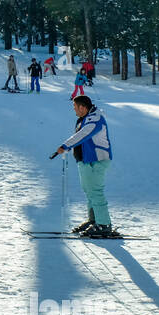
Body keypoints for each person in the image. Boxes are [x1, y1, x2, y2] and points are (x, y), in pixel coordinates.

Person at [53, 95, 114, 237]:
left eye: (75, 107)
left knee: (95, 192)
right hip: (86, 161)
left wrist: (65, 146)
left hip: (96, 161)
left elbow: (83, 134)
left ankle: (104, 224)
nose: (74, 110)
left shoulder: (95, 119)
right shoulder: (84, 119)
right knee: (89, 192)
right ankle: (94, 220)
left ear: (83, 107)